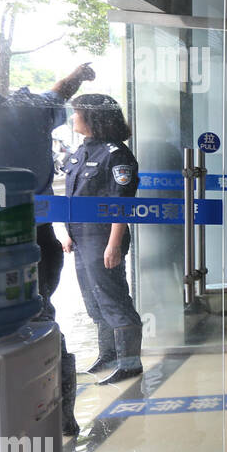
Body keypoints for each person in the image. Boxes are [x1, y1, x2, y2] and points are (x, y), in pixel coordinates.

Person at [0, 45, 93, 435]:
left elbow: (59, 91)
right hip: (38, 238)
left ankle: (13, 419)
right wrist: (79, 72)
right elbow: (59, 92)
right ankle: (58, 415)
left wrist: (75, 75)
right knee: (41, 317)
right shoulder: (26, 109)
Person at [59, 94, 143, 385]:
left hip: (103, 236)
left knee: (113, 299)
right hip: (81, 237)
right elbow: (72, 198)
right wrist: (68, 234)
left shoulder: (115, 154)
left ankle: (130, 363)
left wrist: (114, 243)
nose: (73, 118)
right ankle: (108, 355)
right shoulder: (79, 152)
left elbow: (122, 204)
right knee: (93, 300)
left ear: (93, 117)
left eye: (77, 113)